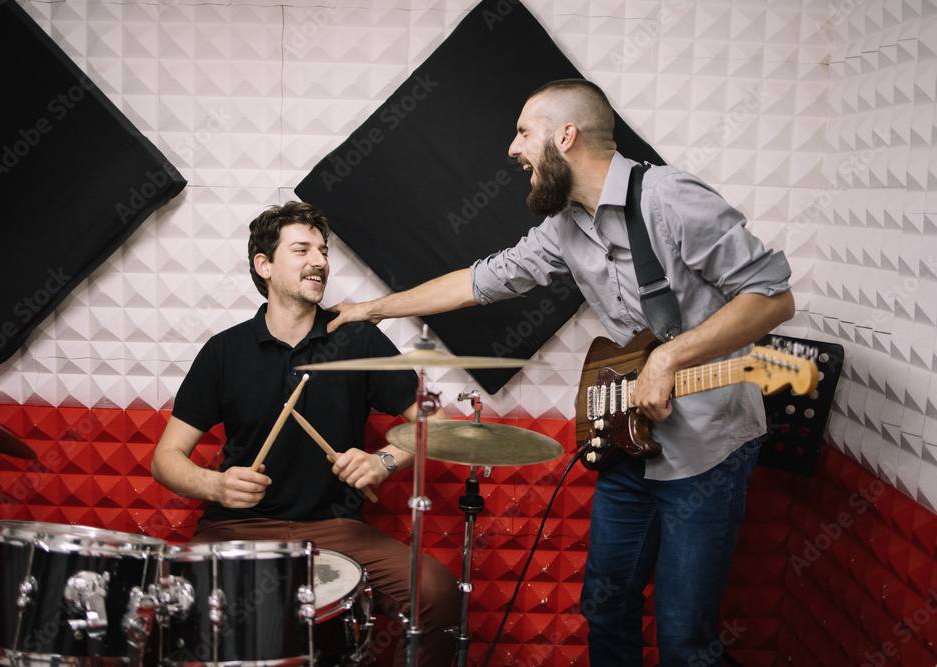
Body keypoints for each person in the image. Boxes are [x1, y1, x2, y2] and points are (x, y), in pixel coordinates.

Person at [327, 79, 795, 666]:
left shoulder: (672, 199)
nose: (512, 149)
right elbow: (480, 281)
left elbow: (773, 298)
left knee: (684, 642)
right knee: (606, 608)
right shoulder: (565, 226)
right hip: (629, 443)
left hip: (709, 451)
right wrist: (370, 308)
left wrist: (671, 358)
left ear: (566, 136)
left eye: (525, 132)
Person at [151, 201, 458, 667]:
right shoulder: (224, 351)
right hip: (239, 527)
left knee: (436, 591)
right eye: (301, 250)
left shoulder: (356, 340)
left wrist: (382, 462)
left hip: (336, 527)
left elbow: (437, 425)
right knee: (173, 604)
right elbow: (166, 458)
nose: (319, 261)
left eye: (323, 250)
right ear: (265, 265)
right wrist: (216, 484)